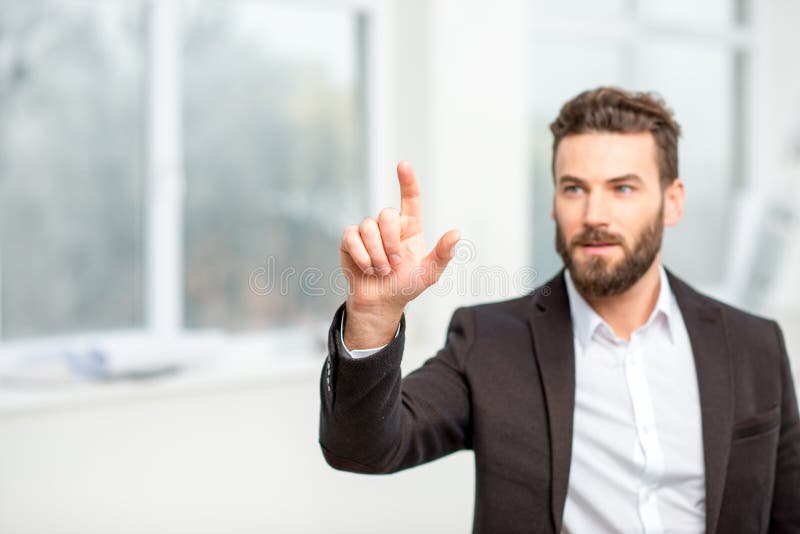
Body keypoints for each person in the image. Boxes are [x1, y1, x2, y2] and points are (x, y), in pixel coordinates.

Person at [318, 87, 800, 533]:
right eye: (574, 188)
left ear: (672, 202)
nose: (594, 215)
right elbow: (361, 449)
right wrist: (374, 318)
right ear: (553, 202)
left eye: (623, 188)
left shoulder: (753, 345)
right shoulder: (490, 341)